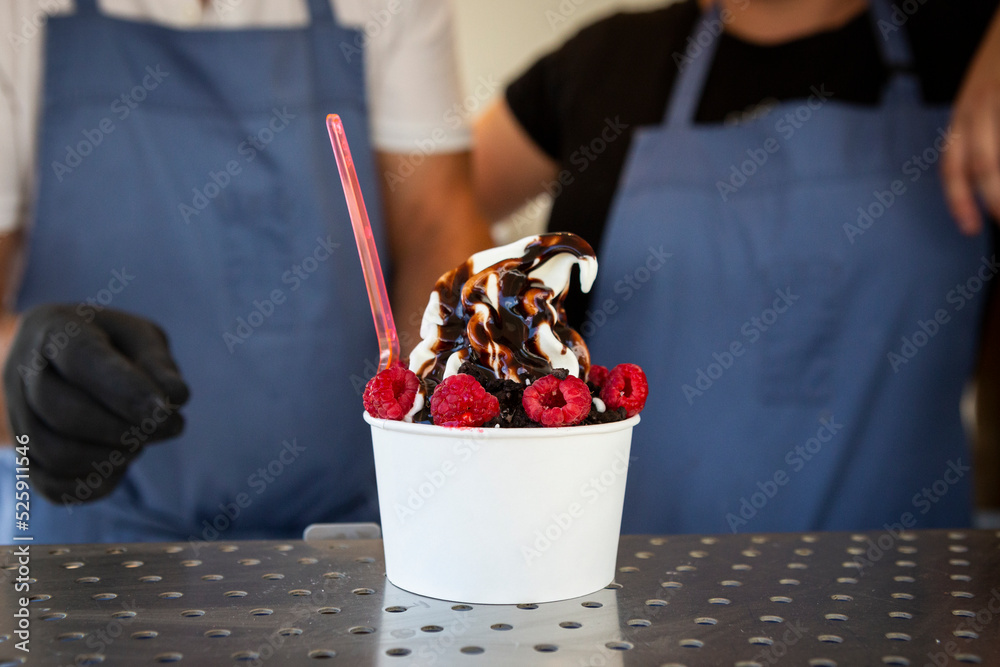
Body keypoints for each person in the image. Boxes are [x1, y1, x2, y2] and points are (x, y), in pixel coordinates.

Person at [474, 0, 1000, 534]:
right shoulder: (607, 64)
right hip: (626, 585)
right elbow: (433, 211)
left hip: (914, 595)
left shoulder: (967, 49)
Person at [0, 0, 492, 543]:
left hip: (356, 522)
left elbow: (437, 225)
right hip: (80, 534)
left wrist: (438, 422)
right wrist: (28, 381)